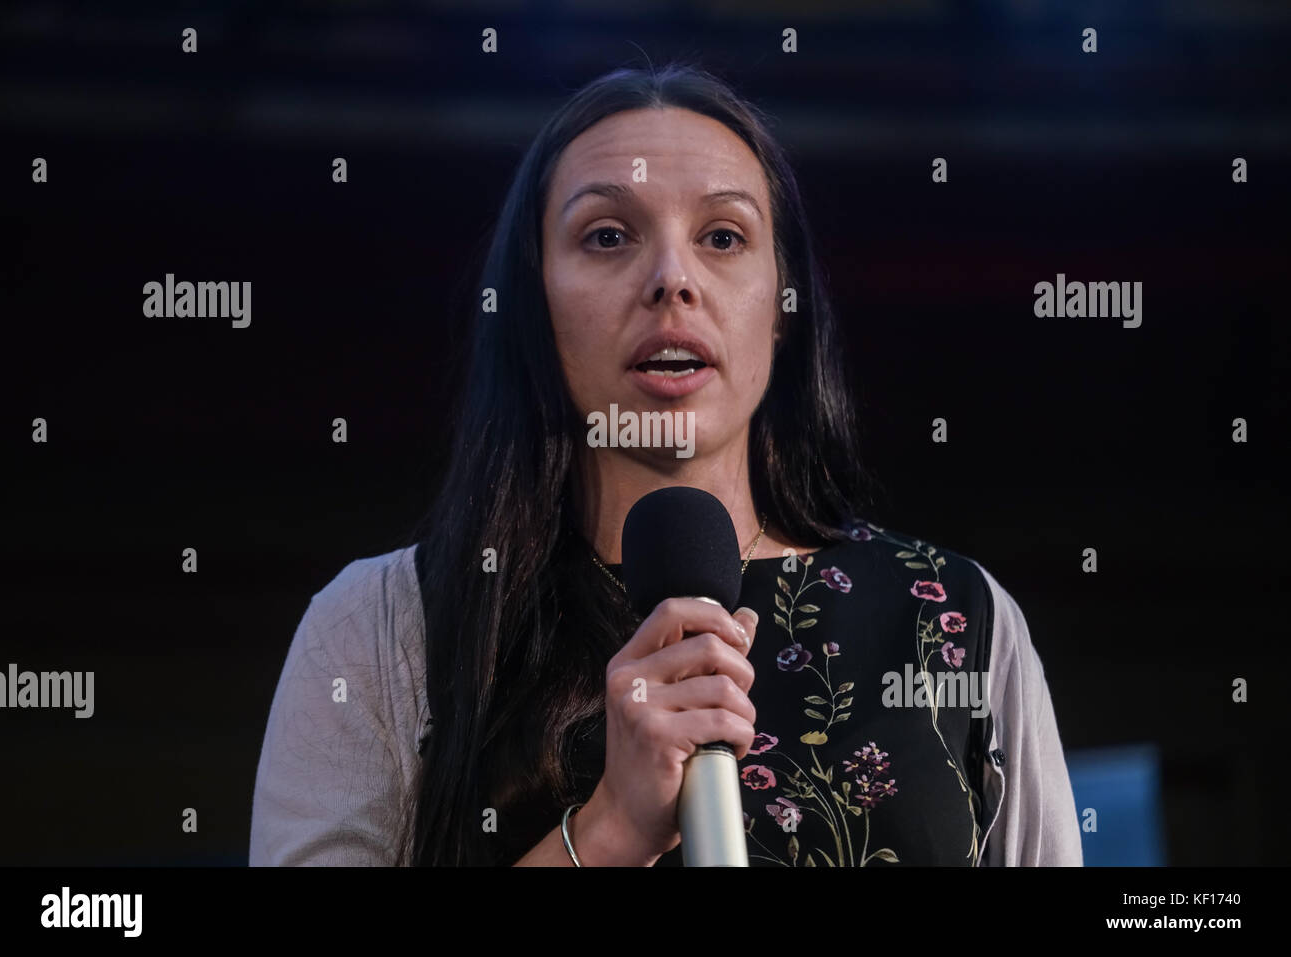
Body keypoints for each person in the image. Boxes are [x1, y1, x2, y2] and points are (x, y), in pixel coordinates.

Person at [248, 62, 1083, 867]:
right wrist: (610, 831)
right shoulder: (387, 627)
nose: (671, 279)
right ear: (534, 302)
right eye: (607, 236)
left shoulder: (954, 619)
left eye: (723, 237)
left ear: (784, 307)